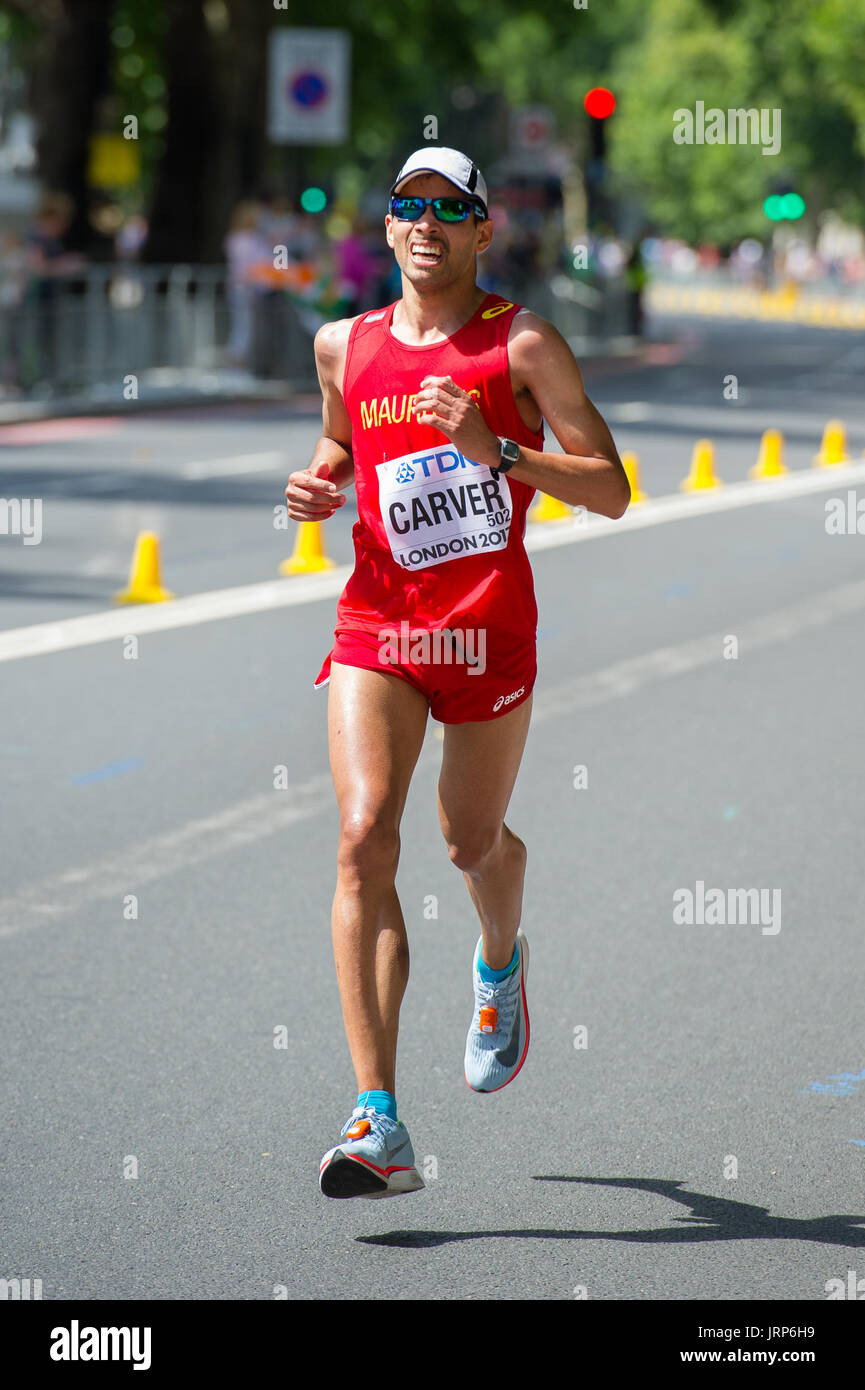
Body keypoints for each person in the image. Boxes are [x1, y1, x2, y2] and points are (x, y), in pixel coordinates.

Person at [284, 146, 629, 1200]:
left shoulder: (522, 344)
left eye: (448, 208)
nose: (425, 223)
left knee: (468, 842)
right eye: (408, 205)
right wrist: (321, 480)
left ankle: (499, 959)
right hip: (379, 626)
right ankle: (377, 1119)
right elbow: (342, 440)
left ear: (483, 229)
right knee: (362, 836)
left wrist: (498, 449)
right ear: (388, 226)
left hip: (485, 635)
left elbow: (611, 489)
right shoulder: (342, 344)